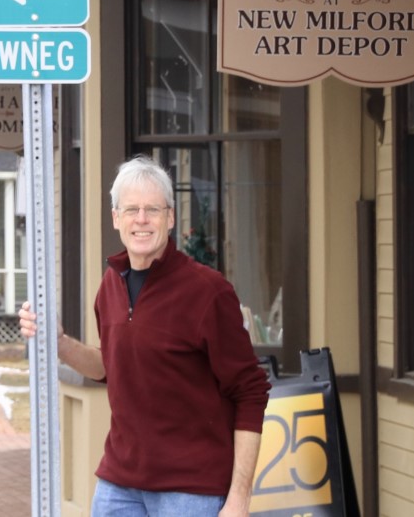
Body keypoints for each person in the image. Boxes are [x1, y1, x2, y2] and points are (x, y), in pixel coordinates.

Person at [19, 155, 269, 517]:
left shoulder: (208, 292)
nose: (141, 219)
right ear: (115, 217)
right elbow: (109, 366)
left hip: (190, 491)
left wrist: (239, 499)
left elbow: (250, 391)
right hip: (119, 485)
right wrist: (59, 343)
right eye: (131, 209)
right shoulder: (111, 284)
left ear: (170, 218)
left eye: (153, 209)